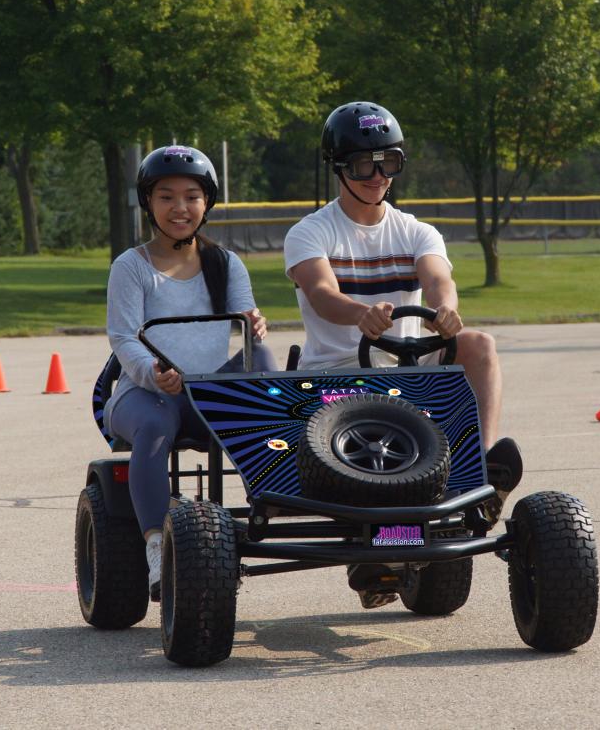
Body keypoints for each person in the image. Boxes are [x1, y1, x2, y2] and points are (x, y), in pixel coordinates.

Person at [283, 102, 522, 607]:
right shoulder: (310, 232)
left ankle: (479, 470)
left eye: (387, 163)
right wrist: (359, 314)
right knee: (379, 451)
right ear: (339, 168)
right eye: (362, 165)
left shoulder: (416, 230)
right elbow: (322, 293)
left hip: (409, 367)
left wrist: (446, 309)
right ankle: (380, 550)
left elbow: (440, 279)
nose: (376, 177)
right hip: (337, 376)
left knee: (479, 344)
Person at [104, 144, 276, 602]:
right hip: (147, 392)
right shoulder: (131, 266)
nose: (180, 207)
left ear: (207, 203)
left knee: (263, 359)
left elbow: (245, 317)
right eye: (166, 196)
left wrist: (254, 321)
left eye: (191, 196)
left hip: (208, 391)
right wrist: (152, 371)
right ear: (148, 203)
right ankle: (157, 546)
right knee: (158, 422)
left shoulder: (225, 263)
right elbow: (123, 337)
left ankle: (274, 492)